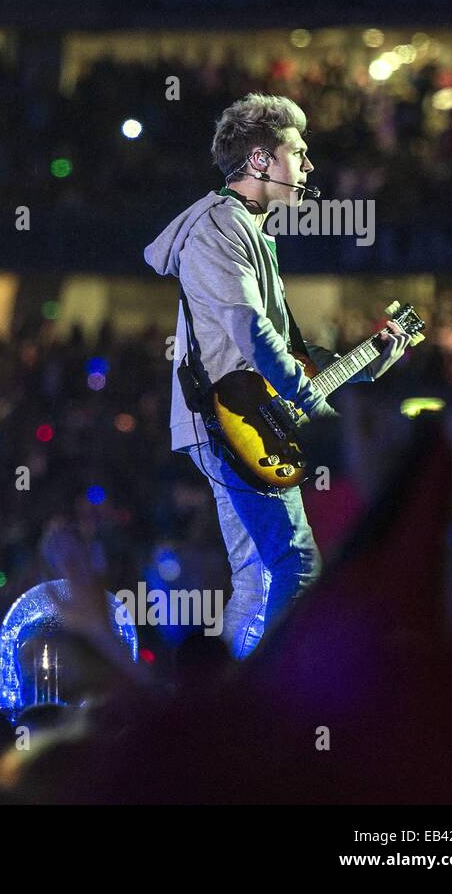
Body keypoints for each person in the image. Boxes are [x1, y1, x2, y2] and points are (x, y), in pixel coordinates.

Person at [143, 93, 411, 659]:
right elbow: (249, 332)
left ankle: (229, 700)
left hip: (239, 416)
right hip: (229, 420)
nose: (309, 167)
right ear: (262, 161)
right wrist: (317, 410)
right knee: (297, 562)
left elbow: (285, 347)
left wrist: (368, 364)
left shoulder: (250, 230)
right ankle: (270, 696)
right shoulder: (219, 228)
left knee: (256, 576)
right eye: (299, 152)